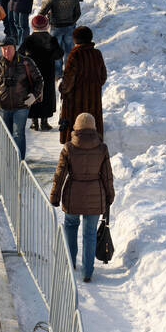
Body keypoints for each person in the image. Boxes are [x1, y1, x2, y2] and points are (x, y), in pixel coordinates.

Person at [51, 112, 115, 283]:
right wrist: (110, 195)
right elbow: (107, 176)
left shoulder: (69, 148)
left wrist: (55, 195)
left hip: (73, 195)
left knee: (71, 227)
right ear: (94, 128)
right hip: (95, 195)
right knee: (89, 233)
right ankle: (87, 272)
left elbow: (60, 175)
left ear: (76, 128)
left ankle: (70, 263)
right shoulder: (102, 148)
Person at [0, 35, 44, 160]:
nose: (6, 51)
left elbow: (39, 81)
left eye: (9, 48)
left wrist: (34, 96)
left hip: (21, 105)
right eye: (4, 49)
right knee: (7, 136)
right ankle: (8, 160)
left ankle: (19, 161)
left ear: (14, 48)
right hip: (4, 106)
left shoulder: (26, 62)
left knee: (18, 134)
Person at [57, 25, 107, 144]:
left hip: (76, 101)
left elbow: (69, 79)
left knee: (76, 128)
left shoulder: (75, 54)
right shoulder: (97, 54)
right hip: (93, 100)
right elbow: (103, 76)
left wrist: (62, 88)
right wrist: (94, 86)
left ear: (75, 39)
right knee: (92, 125)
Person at [19, 14, 60, 130]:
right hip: (48, 72)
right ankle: (44, 122)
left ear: (33, 26)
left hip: (31, 73)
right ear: (46, 25)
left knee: (33, 93)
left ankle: (34, 122)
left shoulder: (29, 40)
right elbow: (59, 54)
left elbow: (20, 54)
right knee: (47, 95)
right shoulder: (52, 40)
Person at [39, 0, 80, 79]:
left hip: (56, 28)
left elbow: (41, 13)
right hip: (70, 27)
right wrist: (71, 22)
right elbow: (78, 13)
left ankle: (57, 74)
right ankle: (68, 72)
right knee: (69, 51)